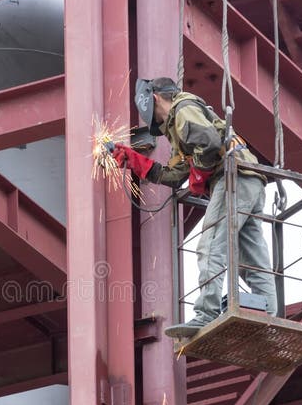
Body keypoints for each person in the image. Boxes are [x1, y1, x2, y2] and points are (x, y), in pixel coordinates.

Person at [113, 77, 277, 338]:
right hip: (250, 180)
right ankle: (269, 316)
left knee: (209, 245)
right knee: (251, 257)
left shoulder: (183, 109)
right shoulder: (181, 125)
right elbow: (174, 175)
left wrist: (200, 172)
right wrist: (135, 161)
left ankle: (206, 313)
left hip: (232, 178)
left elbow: (209, 143)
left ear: (155, 98)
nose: (157, 124)